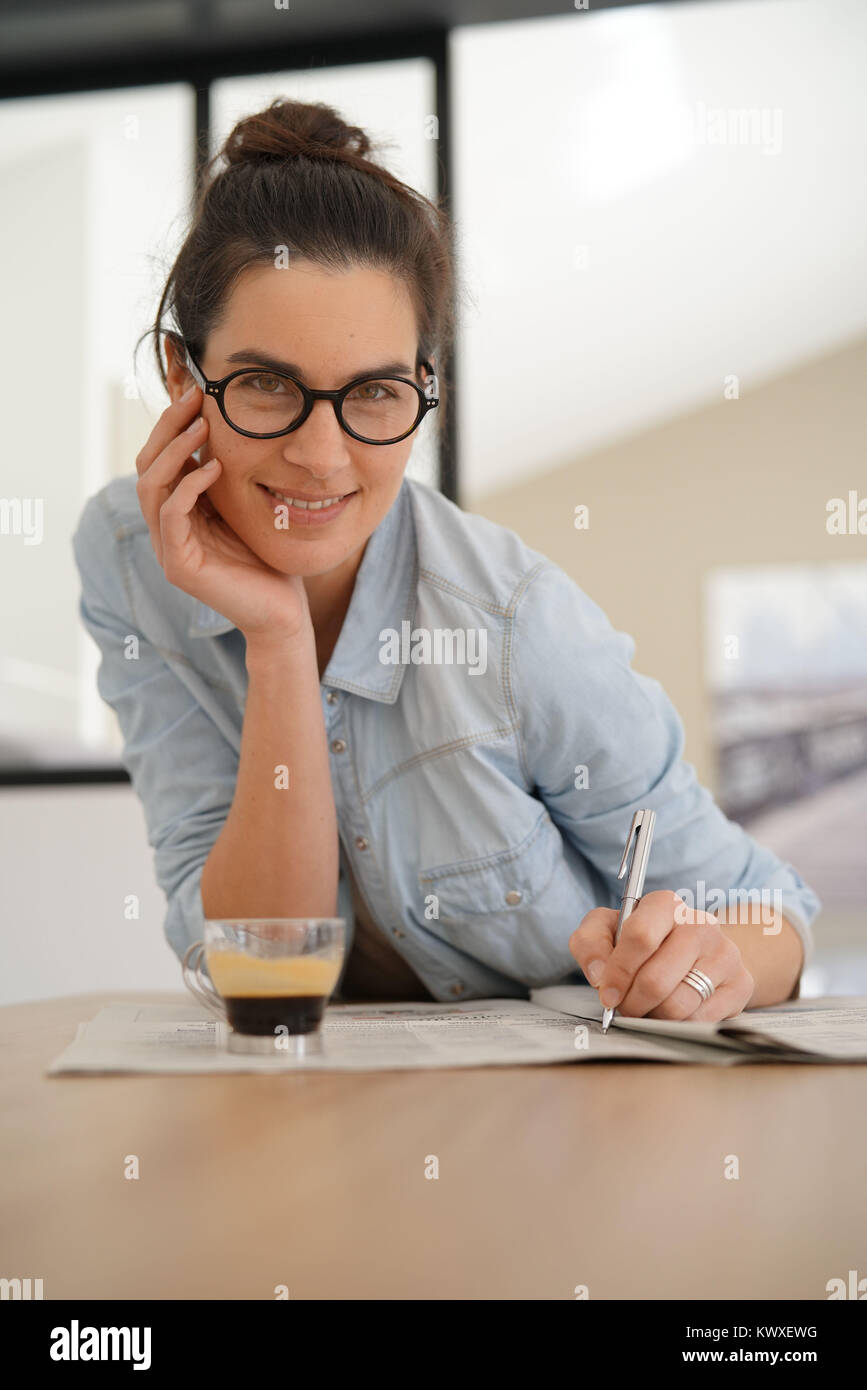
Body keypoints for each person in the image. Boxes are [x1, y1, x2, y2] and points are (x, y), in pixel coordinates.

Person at [72, 98, 820, 1019]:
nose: (320, 454)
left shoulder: (517, 624)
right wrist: (275, 637)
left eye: (375, 393)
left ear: (424, 388)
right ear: (183, 377)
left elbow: (770, 913)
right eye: (267, 384)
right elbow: (260, 975)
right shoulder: (125, 556)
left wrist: (706, 968)